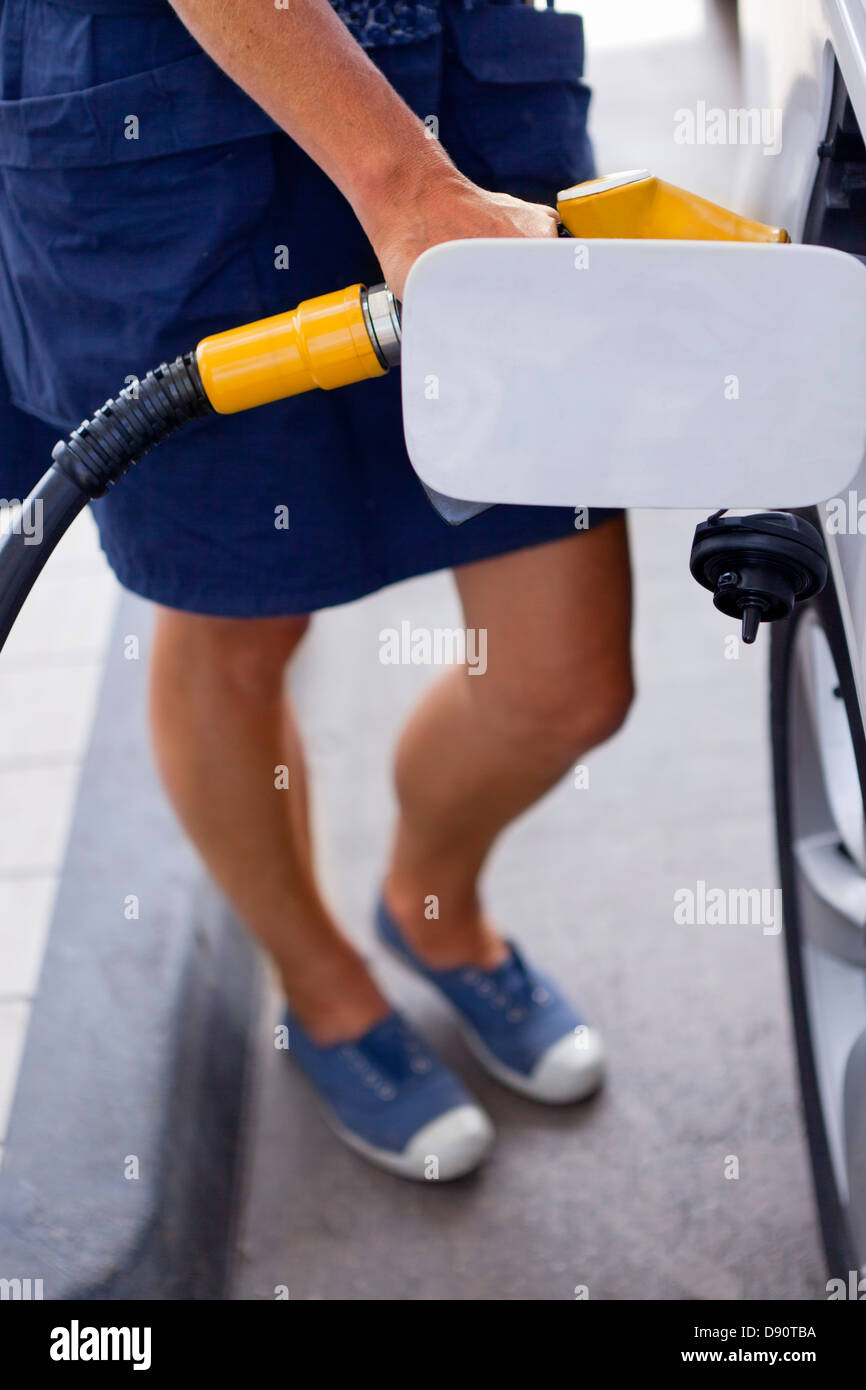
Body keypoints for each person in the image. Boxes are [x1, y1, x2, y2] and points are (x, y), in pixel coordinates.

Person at [0, 0, 633, 1180]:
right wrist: (397, 187)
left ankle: (431, 904)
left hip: (469, 80)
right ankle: (322, 983)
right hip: (164, 122)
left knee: (566, 684)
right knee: (234, 619)